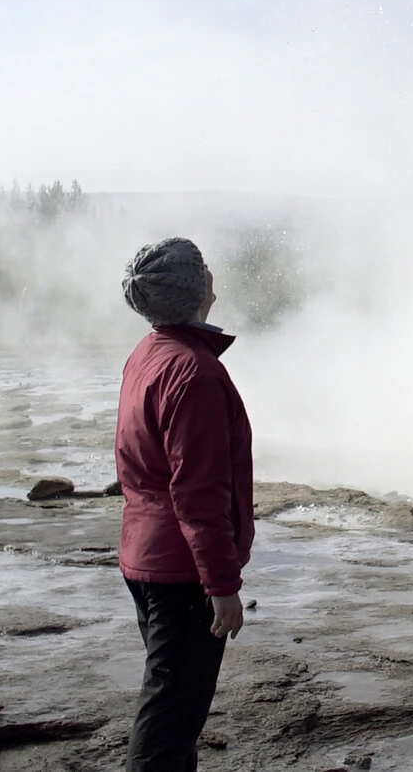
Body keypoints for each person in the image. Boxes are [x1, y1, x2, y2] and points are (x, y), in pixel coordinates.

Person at [116, 237, 254, 772]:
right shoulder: (192, 371)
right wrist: (221, 584)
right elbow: (196, 492)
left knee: (172, 706)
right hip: (182, 573)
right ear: (196, 291)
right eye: (203, 270)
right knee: (170, 722)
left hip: (149, 556)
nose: (212, 276)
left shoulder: (149, 353)